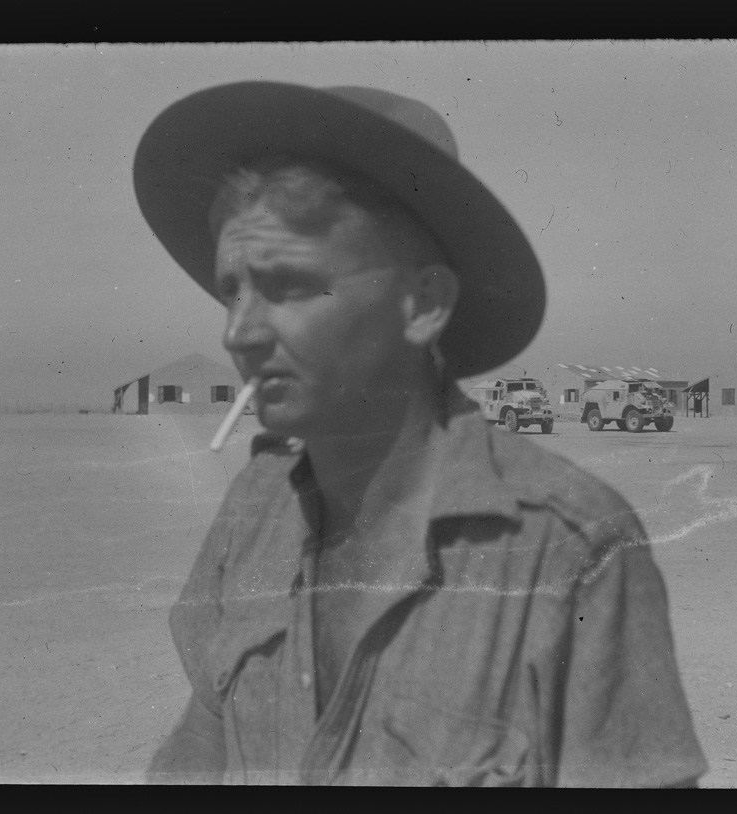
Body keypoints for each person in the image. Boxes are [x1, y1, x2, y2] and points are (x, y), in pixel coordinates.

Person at [134, 81, 707, 786]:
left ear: (424, 305)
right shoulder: (252, 508)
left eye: (289, 287)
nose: (239, 333)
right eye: (233, 291)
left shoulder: (566, 549)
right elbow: (202, 737)